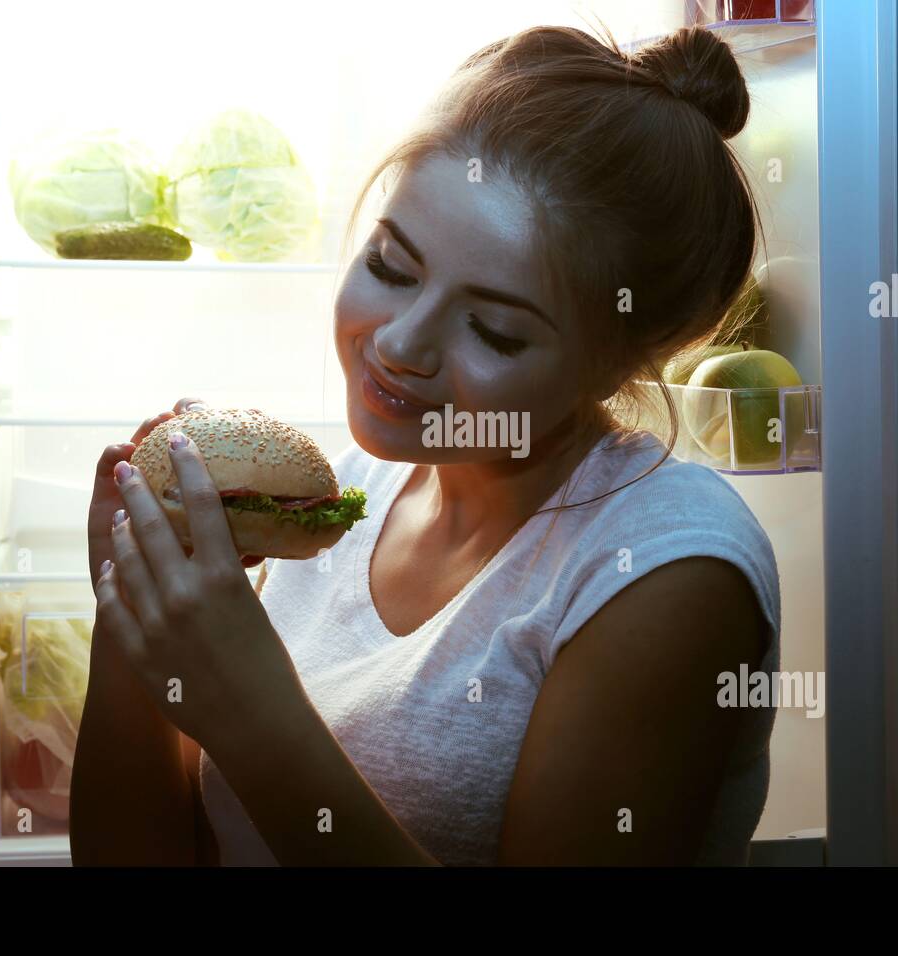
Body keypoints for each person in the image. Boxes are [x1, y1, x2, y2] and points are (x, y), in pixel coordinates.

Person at [71, 22, 780, 867]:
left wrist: (252, 712)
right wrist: (131, 609)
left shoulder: (668, 570)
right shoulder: (341, 503)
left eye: (494, 330)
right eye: (390, 267)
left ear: (620, 360)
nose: (400, 343)